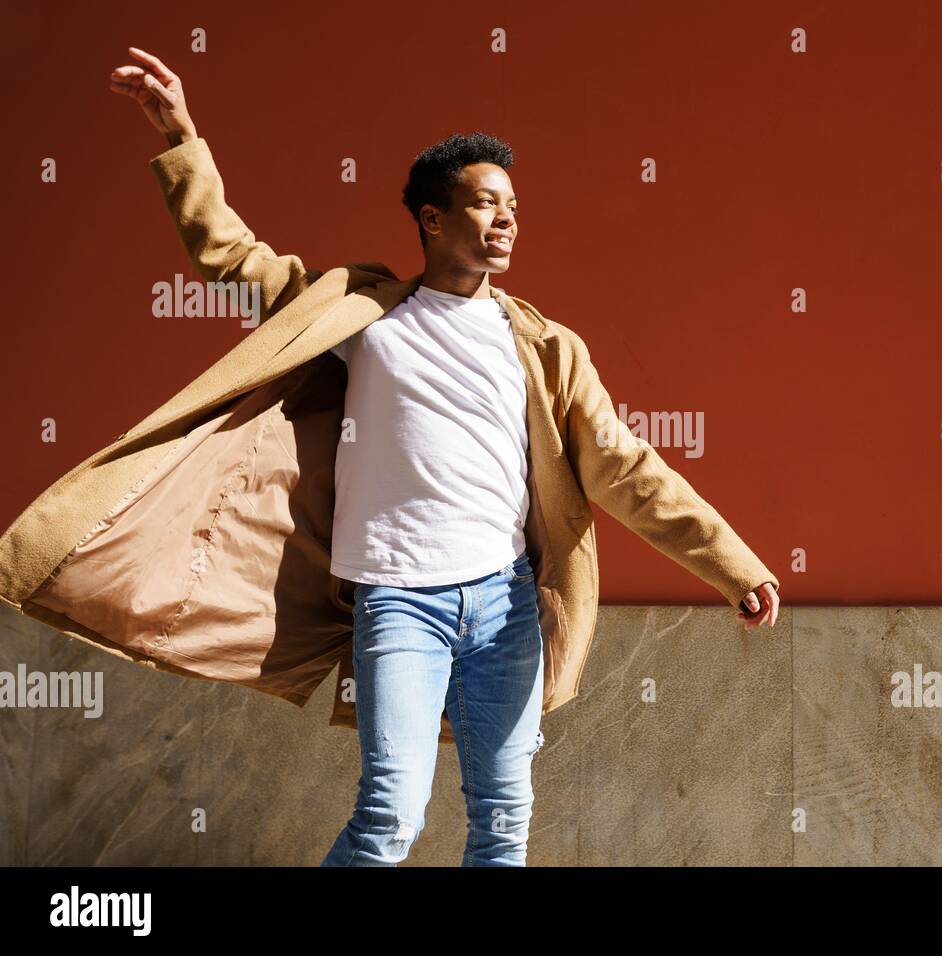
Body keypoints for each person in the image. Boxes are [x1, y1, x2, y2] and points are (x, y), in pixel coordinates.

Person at [108, 46, 780, 867]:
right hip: (398, 604)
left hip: (505, 609)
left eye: (514, 209)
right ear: (432, 218)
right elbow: (232, 260)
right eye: (485, 204)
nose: (506, 221)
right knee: (389, 818)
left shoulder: (541, 347)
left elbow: (625, 465)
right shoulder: (361, 317)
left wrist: (734, 565)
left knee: (503, 824)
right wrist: (182, 137)